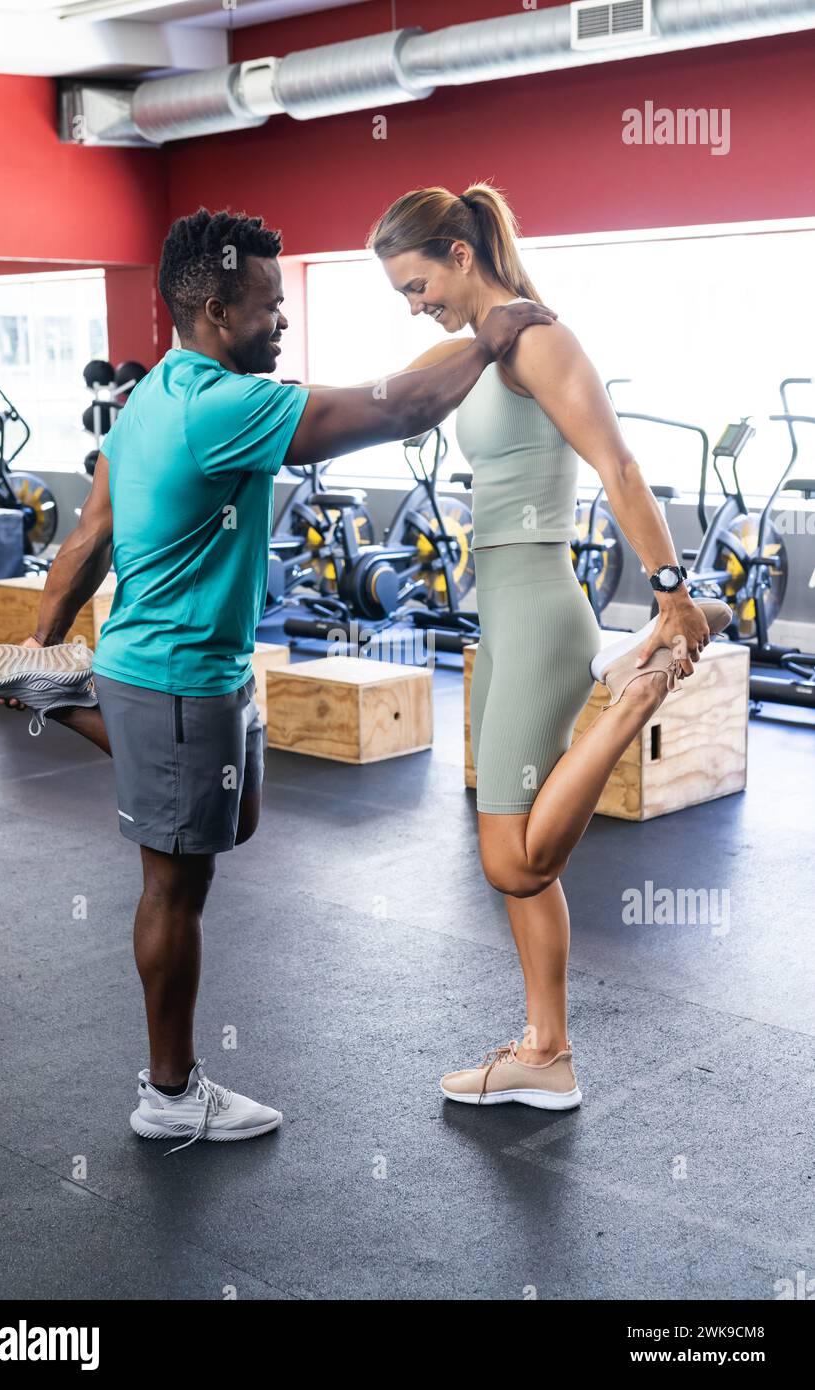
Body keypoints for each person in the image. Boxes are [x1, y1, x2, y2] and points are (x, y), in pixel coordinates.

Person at [0, 207, 556, 1151]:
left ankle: (74, 696)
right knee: (175, 884)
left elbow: (87, 534)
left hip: (194, 672)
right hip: (177, 673)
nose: (282, 323)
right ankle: (170, 1092)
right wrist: (490, 332)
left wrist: (43, 646)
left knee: (236, 817)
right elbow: (392, 407)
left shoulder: (147, 398)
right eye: (270, 308)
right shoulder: (219, 406)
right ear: (218, 308)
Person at [368, 182, 730, 1109]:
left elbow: (618, 466)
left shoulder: (541, 341)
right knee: (514, 855)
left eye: (417, 284)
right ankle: (545, 1052)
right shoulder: (480, 348)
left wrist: (671, 594)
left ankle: (636, 693)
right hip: (504, 612)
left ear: (458, 252)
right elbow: (397, 400)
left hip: (537, 609)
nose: (416, 305)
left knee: (512, 861)